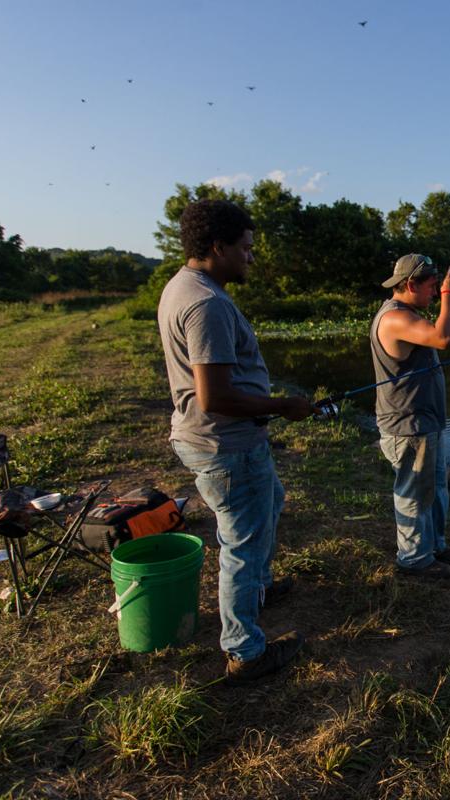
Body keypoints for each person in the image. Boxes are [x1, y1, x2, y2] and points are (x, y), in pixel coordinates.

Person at [157, 199, 315, 684]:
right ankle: (245, 651)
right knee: (242, 545)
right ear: (217, 246)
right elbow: (216, 397)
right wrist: (282, 405)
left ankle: (260, 587)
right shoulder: (206, 304)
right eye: (244, 248)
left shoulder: (183, 286)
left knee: (270, 501)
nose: (250, 256)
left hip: (223, 440)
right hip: (225, 444)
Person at [370, 254, 450, 578]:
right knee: (414, 494)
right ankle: (413, 559)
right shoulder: (394, 318)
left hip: (426, 422)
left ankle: (434, 545)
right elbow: (445, 338)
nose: (435, 292)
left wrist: (446, 297)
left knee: (435, 488)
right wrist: (449, 296)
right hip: (407, 425)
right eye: (432, 287)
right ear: (410, 284)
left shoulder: (407, 314)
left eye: (438, 287)